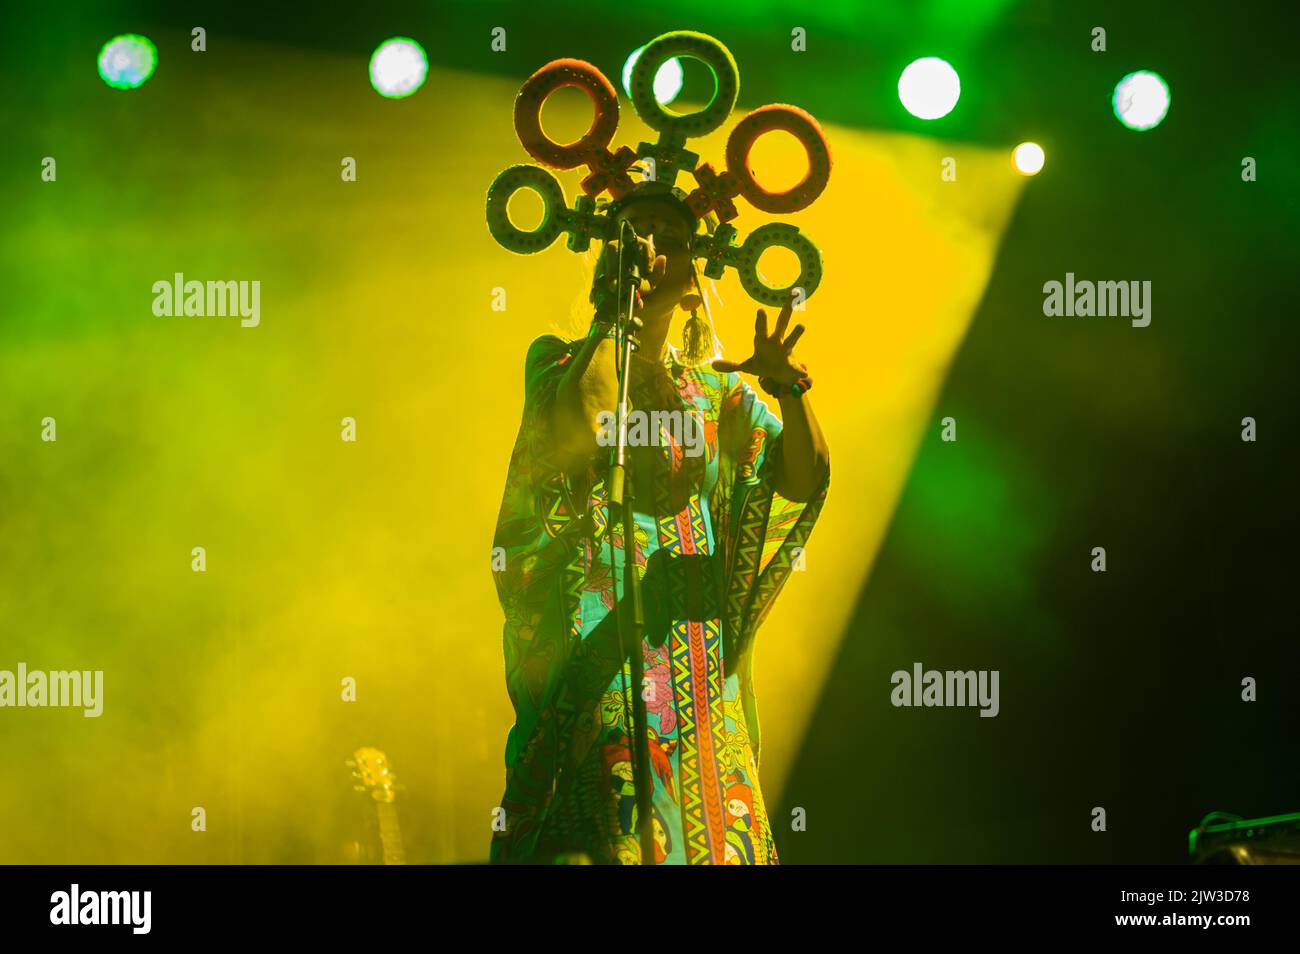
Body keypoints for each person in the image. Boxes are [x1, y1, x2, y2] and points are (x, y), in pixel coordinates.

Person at [489, 185, 830, 864]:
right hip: (599, 650)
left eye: (666, 238)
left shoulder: (716, 392)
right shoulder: (559, 361)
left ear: (695, 272)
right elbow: (579, 433)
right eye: (631, 236)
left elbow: (803, 480)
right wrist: (618, 315)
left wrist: (788, 392)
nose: (647, 250)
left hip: (697, 665)